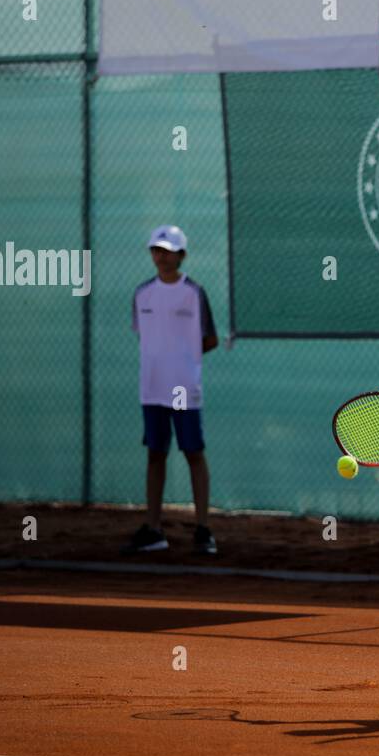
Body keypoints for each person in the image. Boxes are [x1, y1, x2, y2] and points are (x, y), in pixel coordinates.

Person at [125, 225, 219, 555]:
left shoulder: (195, 293)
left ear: (182, 255)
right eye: (156, 249)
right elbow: (146, 337)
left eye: (167, 250)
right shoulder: (141, 294)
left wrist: (183, 361)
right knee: (155, 454)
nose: (161, 256)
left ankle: (203, 530)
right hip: (152, 389)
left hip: (184, 389)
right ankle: (154, 530)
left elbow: (210, 339)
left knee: (193, 453)